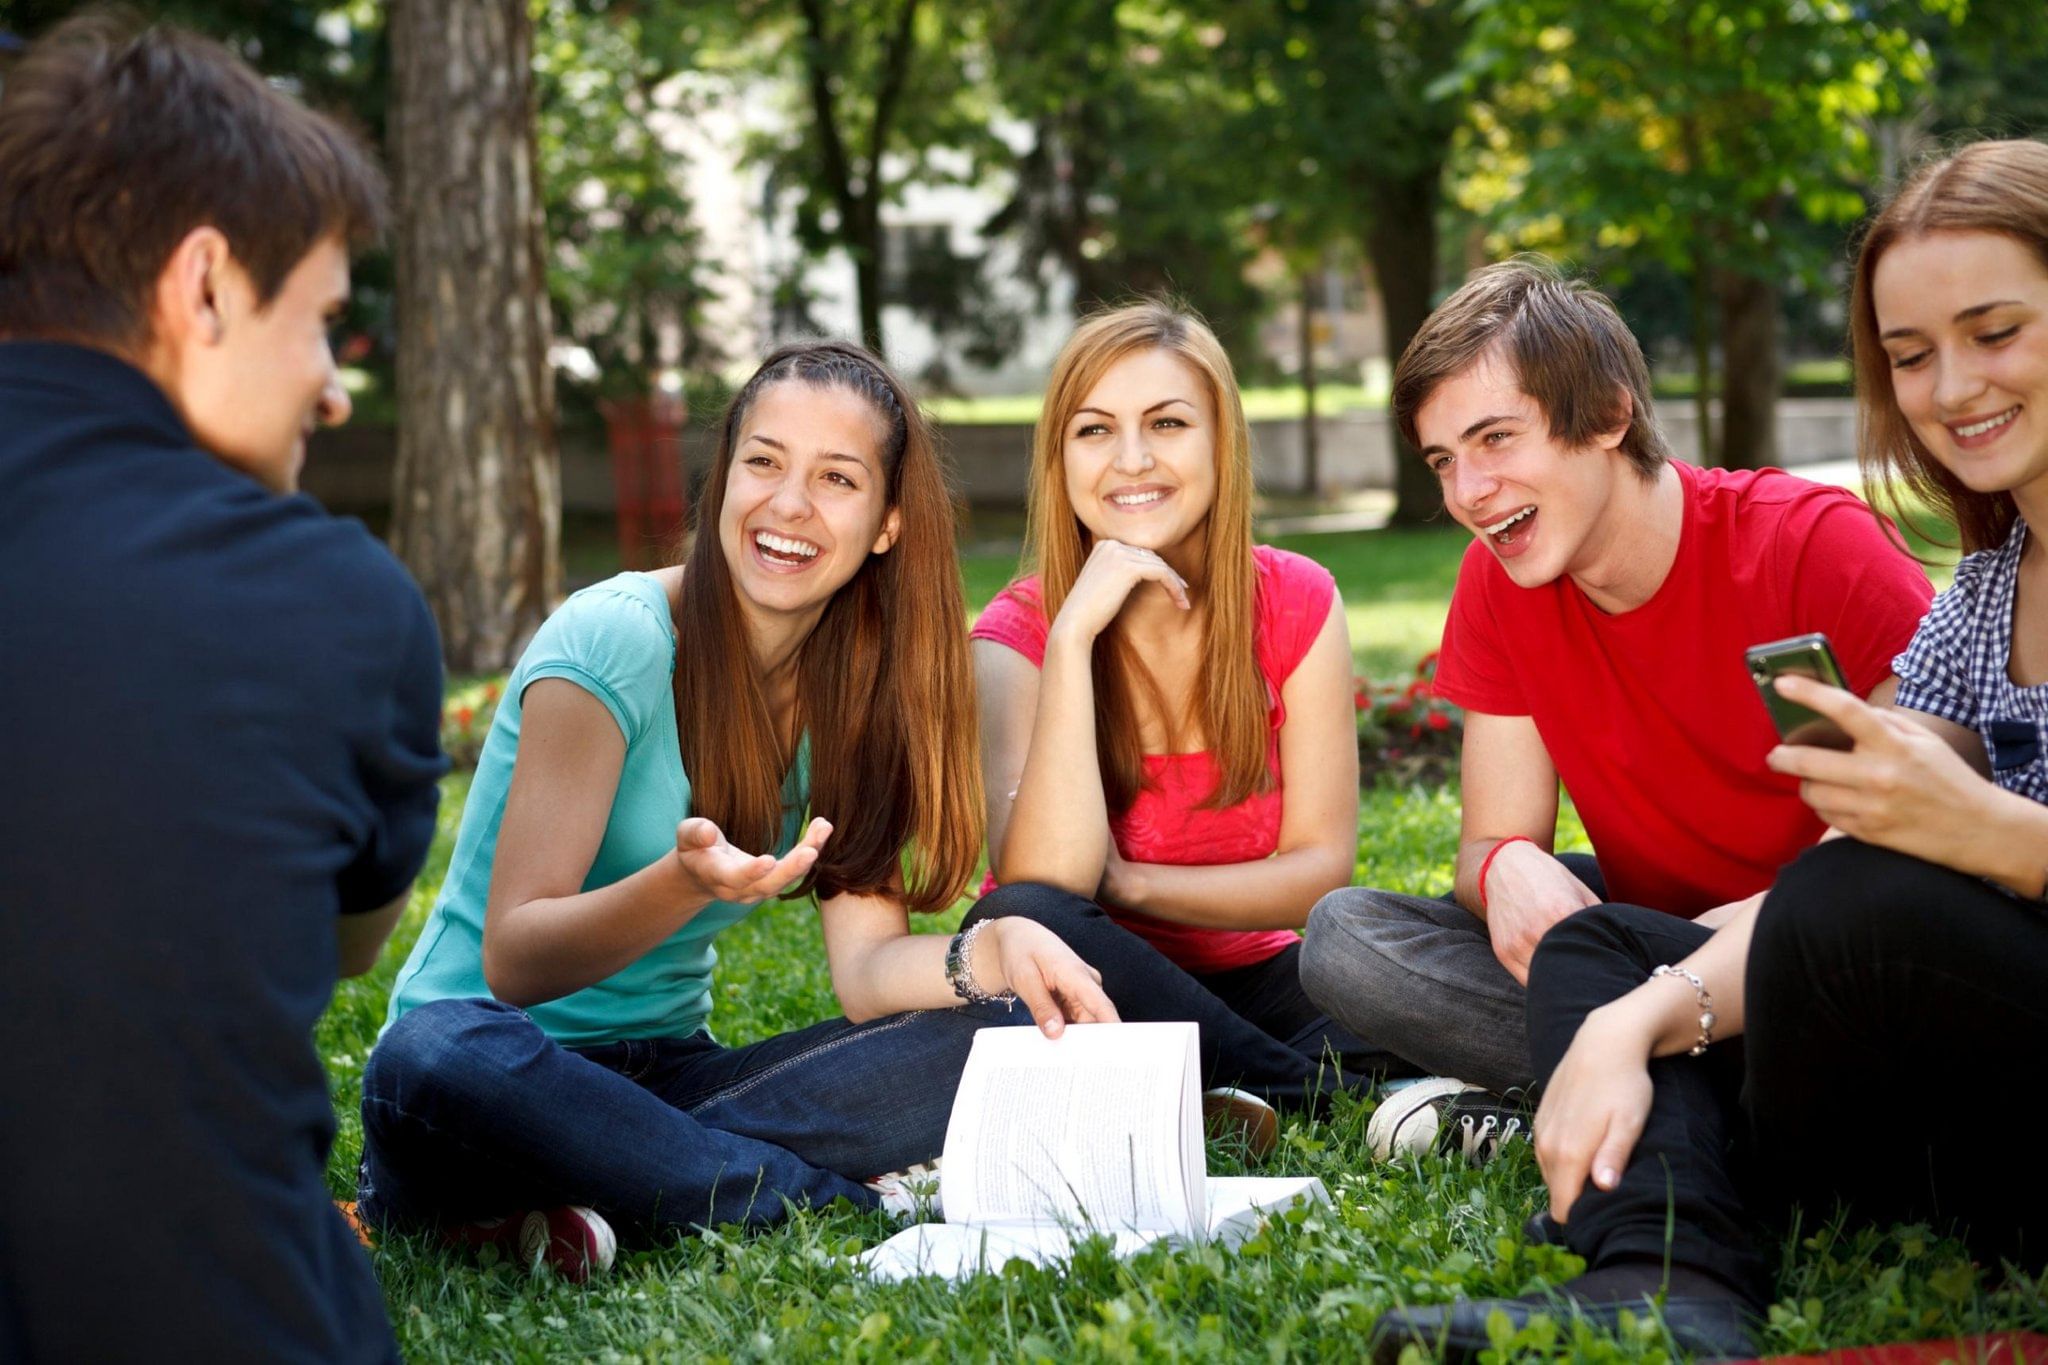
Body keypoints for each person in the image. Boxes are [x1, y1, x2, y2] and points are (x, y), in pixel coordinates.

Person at [1368, 137, 2048, 1364]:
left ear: (1606, 415)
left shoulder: (1806, 543)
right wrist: (1624, 997)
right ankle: (1662, 1273)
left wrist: (1982, 834)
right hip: (1860, 1038)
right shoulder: (1987, 595)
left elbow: (1885, 872)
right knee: (1584, 936)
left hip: (1894, 991)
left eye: (1993, 333)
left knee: (1849, 892)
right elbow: (1866, 856)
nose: (1948, 388)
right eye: (1907, 356)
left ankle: (1649, 1107)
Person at [358, 342, 1116, 1276]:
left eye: (836, 478)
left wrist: (986, 953)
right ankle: (826, 1202)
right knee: (434, 1051)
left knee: (1005, 1029)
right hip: (487, 1078)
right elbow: (514, 960)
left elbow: (869, 968)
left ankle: (616, 1187)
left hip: (671, 1079)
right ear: (723, 480)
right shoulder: (615, 639)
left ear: (886, 523)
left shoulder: (857, 692)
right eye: (763, 461)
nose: (788, 504)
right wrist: (679, 884)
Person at [0, 18, 444, 1364]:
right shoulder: (332, 595)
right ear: (202, 285)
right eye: (318, 321)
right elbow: (350, 943)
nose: (329, 387)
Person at [1296, 258, 1934, 1152]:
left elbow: (1914, 838)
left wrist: (1704, 960)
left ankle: (1632, 1098)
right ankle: (1685, 1098)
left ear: (1606, 414)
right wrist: (1505, 868)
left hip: (1811, 956)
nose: (1465, 494)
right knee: (1347, 940)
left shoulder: (1813, 546)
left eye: (1495, 440)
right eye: (1444, 459)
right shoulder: (1501, 582)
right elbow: (1490, 841)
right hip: (1641, 946)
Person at [963, 300, 1391, 1124]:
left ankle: (1215, 1078)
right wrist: (1074, 637)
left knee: (1393, 951)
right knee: (1027, 911)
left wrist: (1126, 882)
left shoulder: (1297, 598)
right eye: (1094, 430)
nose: (1132, 460)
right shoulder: (1016, 635)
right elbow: (1049, 885)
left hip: (1263, 981)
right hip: (1088, 982)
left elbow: (1317, 875)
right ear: (1060, 459)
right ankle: (1325, 1100)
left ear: (1221, 442)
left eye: (1167, 423)